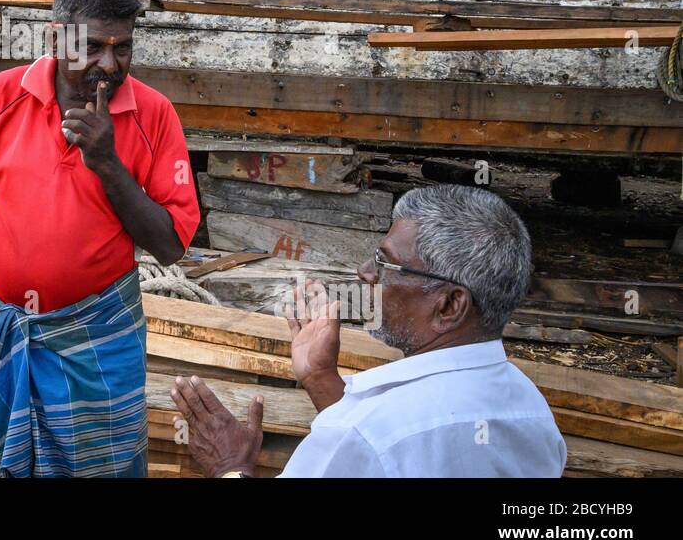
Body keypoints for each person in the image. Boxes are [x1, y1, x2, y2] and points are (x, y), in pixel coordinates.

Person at [0, 0, 200, 477]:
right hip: (4, 323)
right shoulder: (5, 95)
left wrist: (109, 163)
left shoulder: (154, 116)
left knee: (108, 466)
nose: (108, 64)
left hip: (97, 335)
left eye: (122, 49)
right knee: (8, 459)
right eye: (92, 46)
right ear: (55, 37)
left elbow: (170, 245)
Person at [171, 185, 567, 477]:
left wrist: (231, 468)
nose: (365, 272)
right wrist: (320, 378)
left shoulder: (365, 432)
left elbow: (377, 445)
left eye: (387, 263)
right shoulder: (530, 412)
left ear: (449, 305)